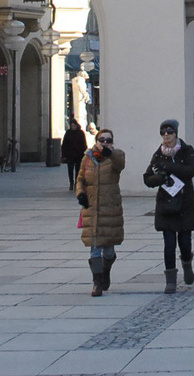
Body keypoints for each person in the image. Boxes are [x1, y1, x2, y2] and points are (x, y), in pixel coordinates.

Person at [142, 119, 194, 294]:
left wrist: (169, 167)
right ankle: (171, 281)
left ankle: (187, 263)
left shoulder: (187, 150)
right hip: (166, 206)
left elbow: (191, 171)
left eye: (170, 132)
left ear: (176, 133)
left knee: (185, 243)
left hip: (185, 204)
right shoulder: (158, 154)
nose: (166, 136)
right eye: (163, 133)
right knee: (168, 245)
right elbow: (147, 178)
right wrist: (160, 179)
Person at [75, 127, 125, 296]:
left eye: (108, 140)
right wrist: (80, 193)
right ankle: (97, 282)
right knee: (94, 247)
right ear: (96, 141)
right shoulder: (88, 158)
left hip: (110, 208)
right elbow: (80, 178)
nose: (104, 143)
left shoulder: (116, 156)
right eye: (101, 140)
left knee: (109, 250)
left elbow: (120, 165)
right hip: (92, 207)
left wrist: (110, 153)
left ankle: (106, 269)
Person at [61, 121, 88, 192]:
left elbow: (84, 144)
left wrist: (83, 152)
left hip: (78, 155)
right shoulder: (68, 133)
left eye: (74, 125)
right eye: (72, 125)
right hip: (70, 154)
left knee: (78, 170)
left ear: (76, 125)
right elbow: (64, 144)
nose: (73, 127)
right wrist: (64, 155)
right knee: (70, 169)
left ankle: (76, 182)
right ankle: (71, 182)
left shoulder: (81, 133)